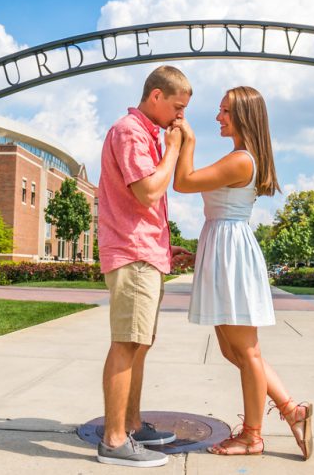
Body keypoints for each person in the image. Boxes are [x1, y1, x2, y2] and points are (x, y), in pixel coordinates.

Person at [173, 86, 313, 460]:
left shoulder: (241, 160)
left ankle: (253, 435)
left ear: (244, 117)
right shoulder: (238, 158)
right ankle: (291, 410)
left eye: (224, 111)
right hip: (222, 246)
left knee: (246, 351)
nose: (218, 117)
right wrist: (198, 252)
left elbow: (182, 181)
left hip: (231, 252)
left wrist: (187, 139)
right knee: (232, 349)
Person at [96, 65, 194, 468]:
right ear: (156, 96)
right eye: (176, 107)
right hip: (133, 253)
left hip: (147, 253)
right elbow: (149, 192)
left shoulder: (148, 134)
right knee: (126, 342)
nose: (180, 117)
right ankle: (115, 439)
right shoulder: (131, 132)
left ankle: (132, 424)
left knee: (139, 343)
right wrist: (172, 148)